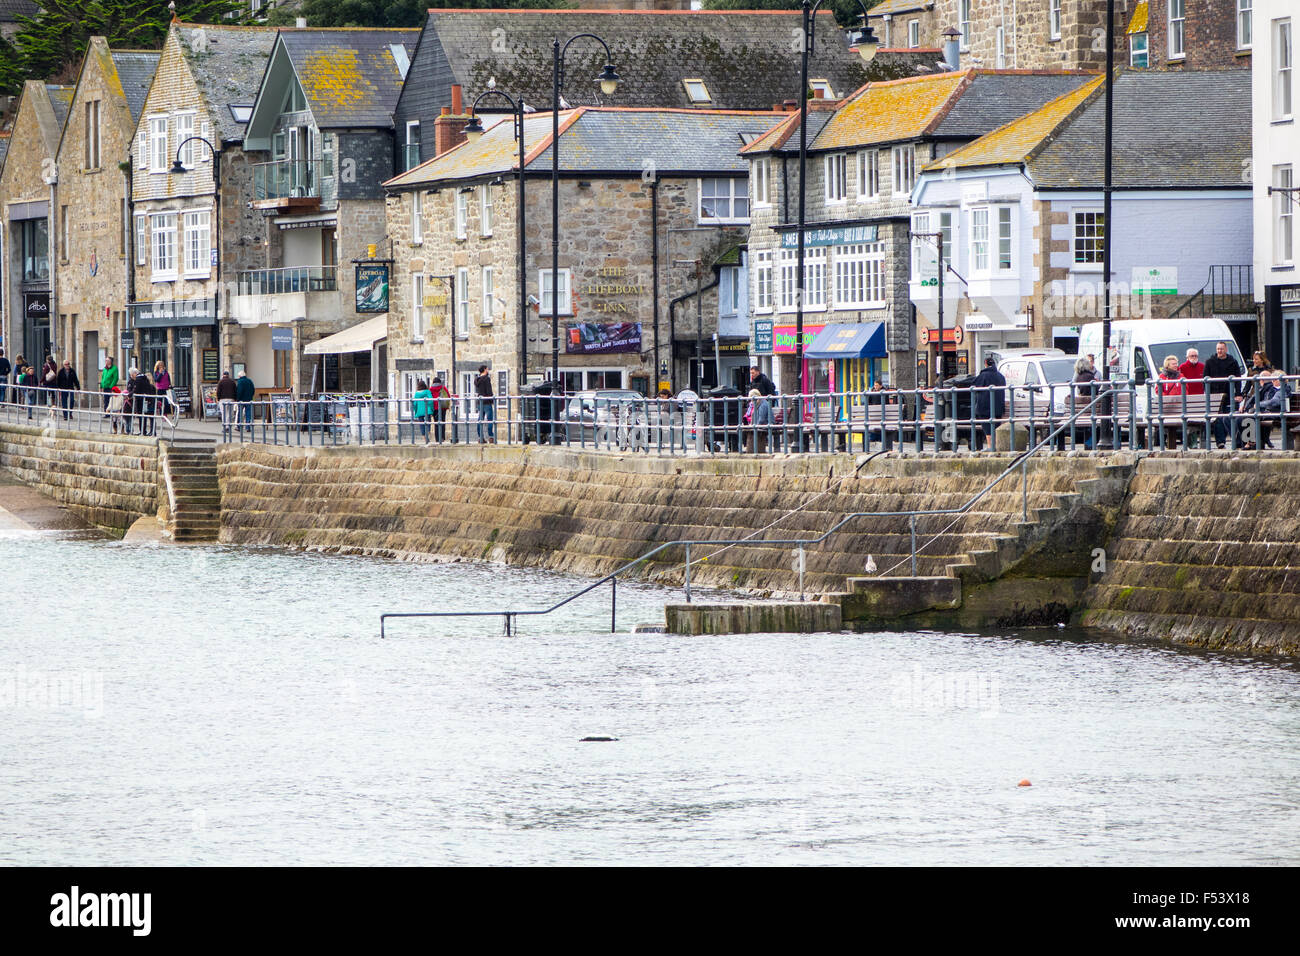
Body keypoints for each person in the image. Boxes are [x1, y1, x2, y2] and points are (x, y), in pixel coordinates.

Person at [1204, 340, 1242, 449]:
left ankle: (1236, 441)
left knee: (1230, 417)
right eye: (1218, 349)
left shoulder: (1232, 361)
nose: (1219, 351)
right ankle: (1220, 442)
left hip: (1229, 394)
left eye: (1221, 349)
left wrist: (1238, 393)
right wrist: (1208, 394)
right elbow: (1205, 379)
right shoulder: (1210, 362)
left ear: (1226, 349)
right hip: (1215, 395)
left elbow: (1238, 378)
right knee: (1218, 419)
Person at [971, 356, 1006, 451]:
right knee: (995, 424)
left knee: (986, 426)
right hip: (998, 406)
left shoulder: (984, 375)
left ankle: (990, 446)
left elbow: (975, 386)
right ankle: (995, 445)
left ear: (985, 363)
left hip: (985, 406)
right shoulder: (1001, 376)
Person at [1071, 356, 1098, 449]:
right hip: (1092, 410)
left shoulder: (1078, 378)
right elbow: (1097, 390)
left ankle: (1089, 444)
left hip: (1082, 411)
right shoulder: (1090, 377)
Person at [133, 365, 157, 436]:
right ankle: (152, 431)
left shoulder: (150, 387)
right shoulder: (152, 387)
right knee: (151, 418)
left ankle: (150, 431)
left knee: (148, 417)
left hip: (149, 403)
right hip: (151, 403)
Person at [474, 365, 494, 443]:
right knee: (490, 419)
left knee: (480, 419)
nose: (488, 370)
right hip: (487, 401)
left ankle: (480, 437)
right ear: (485, 370)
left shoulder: (477, 380)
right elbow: (489, 390)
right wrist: (491, 399)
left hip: (480, 401)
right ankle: (491, 436)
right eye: (487, 369)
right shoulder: (486, 379)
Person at [430, 375, 452, 443]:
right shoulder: (443, 387)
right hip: (442, 407)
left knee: (436, 423)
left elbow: (429, 399)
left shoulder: (430, 389)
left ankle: (437, 438)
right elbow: (448, 396)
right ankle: (442, 437)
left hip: (435, 408)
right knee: (442, 422)